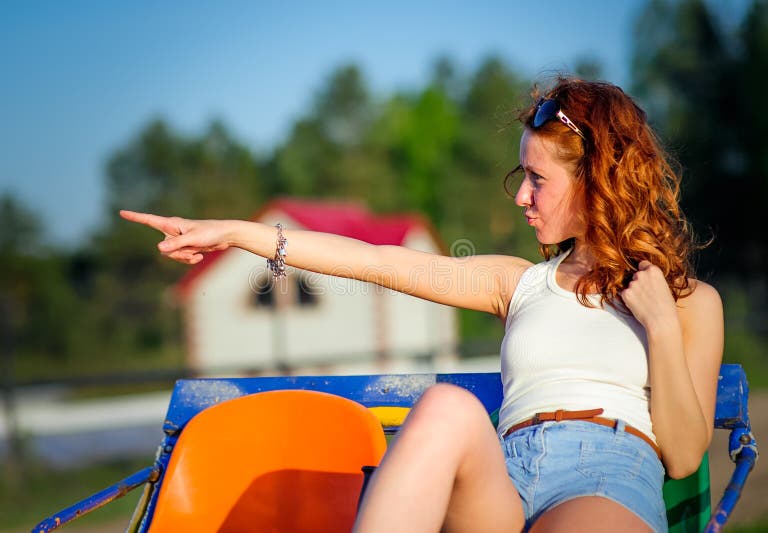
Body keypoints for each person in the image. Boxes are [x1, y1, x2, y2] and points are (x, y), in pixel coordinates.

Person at [120, 76, 724, 533]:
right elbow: (379, 262)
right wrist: (237, 234)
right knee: (445, 407)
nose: (522, 197)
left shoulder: (687, 301)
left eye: (537, 179)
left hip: (605, 478)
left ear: (596, 179)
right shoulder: (519, 283)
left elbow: (683, 453)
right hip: (503, 482)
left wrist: (661, 328)